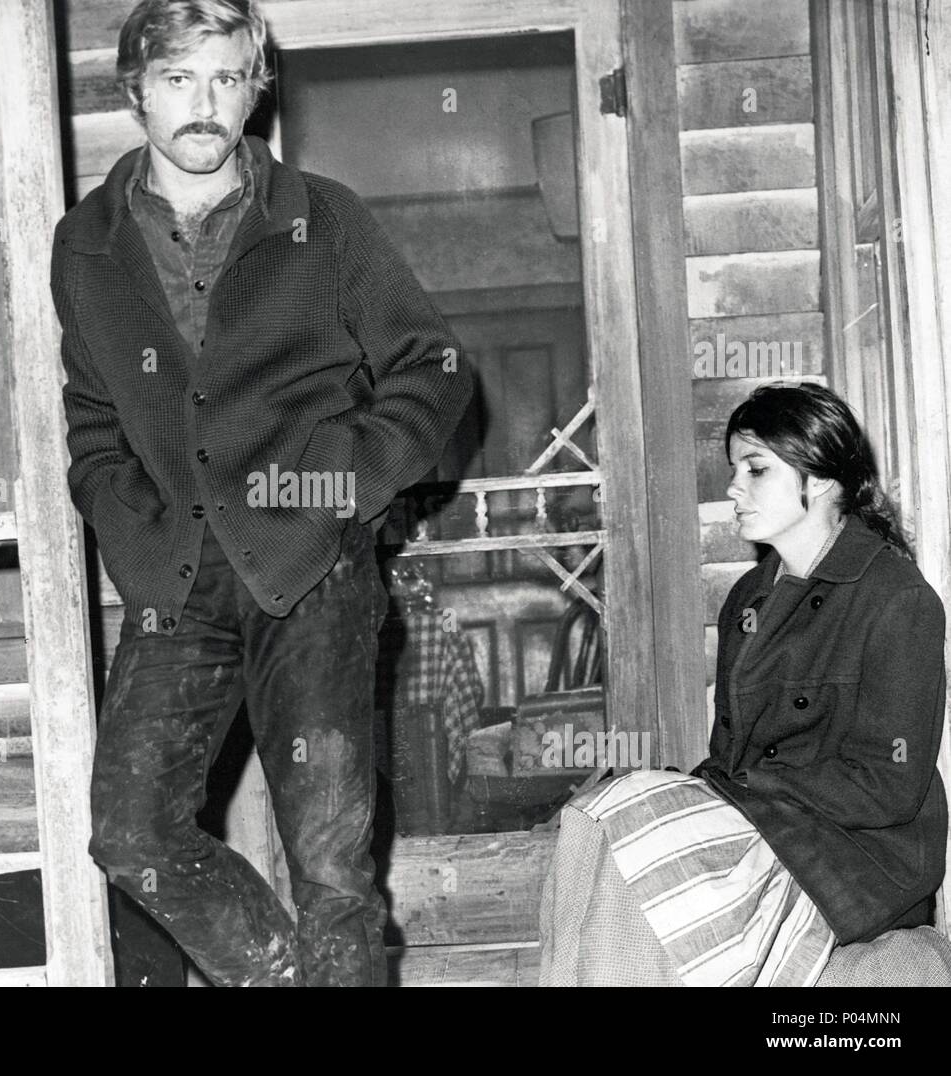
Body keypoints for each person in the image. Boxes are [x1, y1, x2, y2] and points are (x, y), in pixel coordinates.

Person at [51, 0, 471, 986]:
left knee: (330, 866)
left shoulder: (322, 217)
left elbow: (436, 367)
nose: (206, 104)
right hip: (177, 576)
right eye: (178, 79)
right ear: (134, 94)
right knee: (130, 834)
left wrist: (343, 483)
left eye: (229, 78)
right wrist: (124, 520)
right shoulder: (85, 244)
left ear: (256, 89)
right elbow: (92, 418)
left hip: (311, 572)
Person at [540, 382, 948, 986]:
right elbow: (727, 756)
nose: (734, 487)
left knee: (634, 837)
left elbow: (888, 787)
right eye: (735, 469)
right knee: (598, 816)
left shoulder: (897, 599)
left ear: (824, 480)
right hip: (764, 826)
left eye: (756, 469)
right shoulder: (747, 599)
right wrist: (717, 796)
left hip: (853, 860)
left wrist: (739, 794)